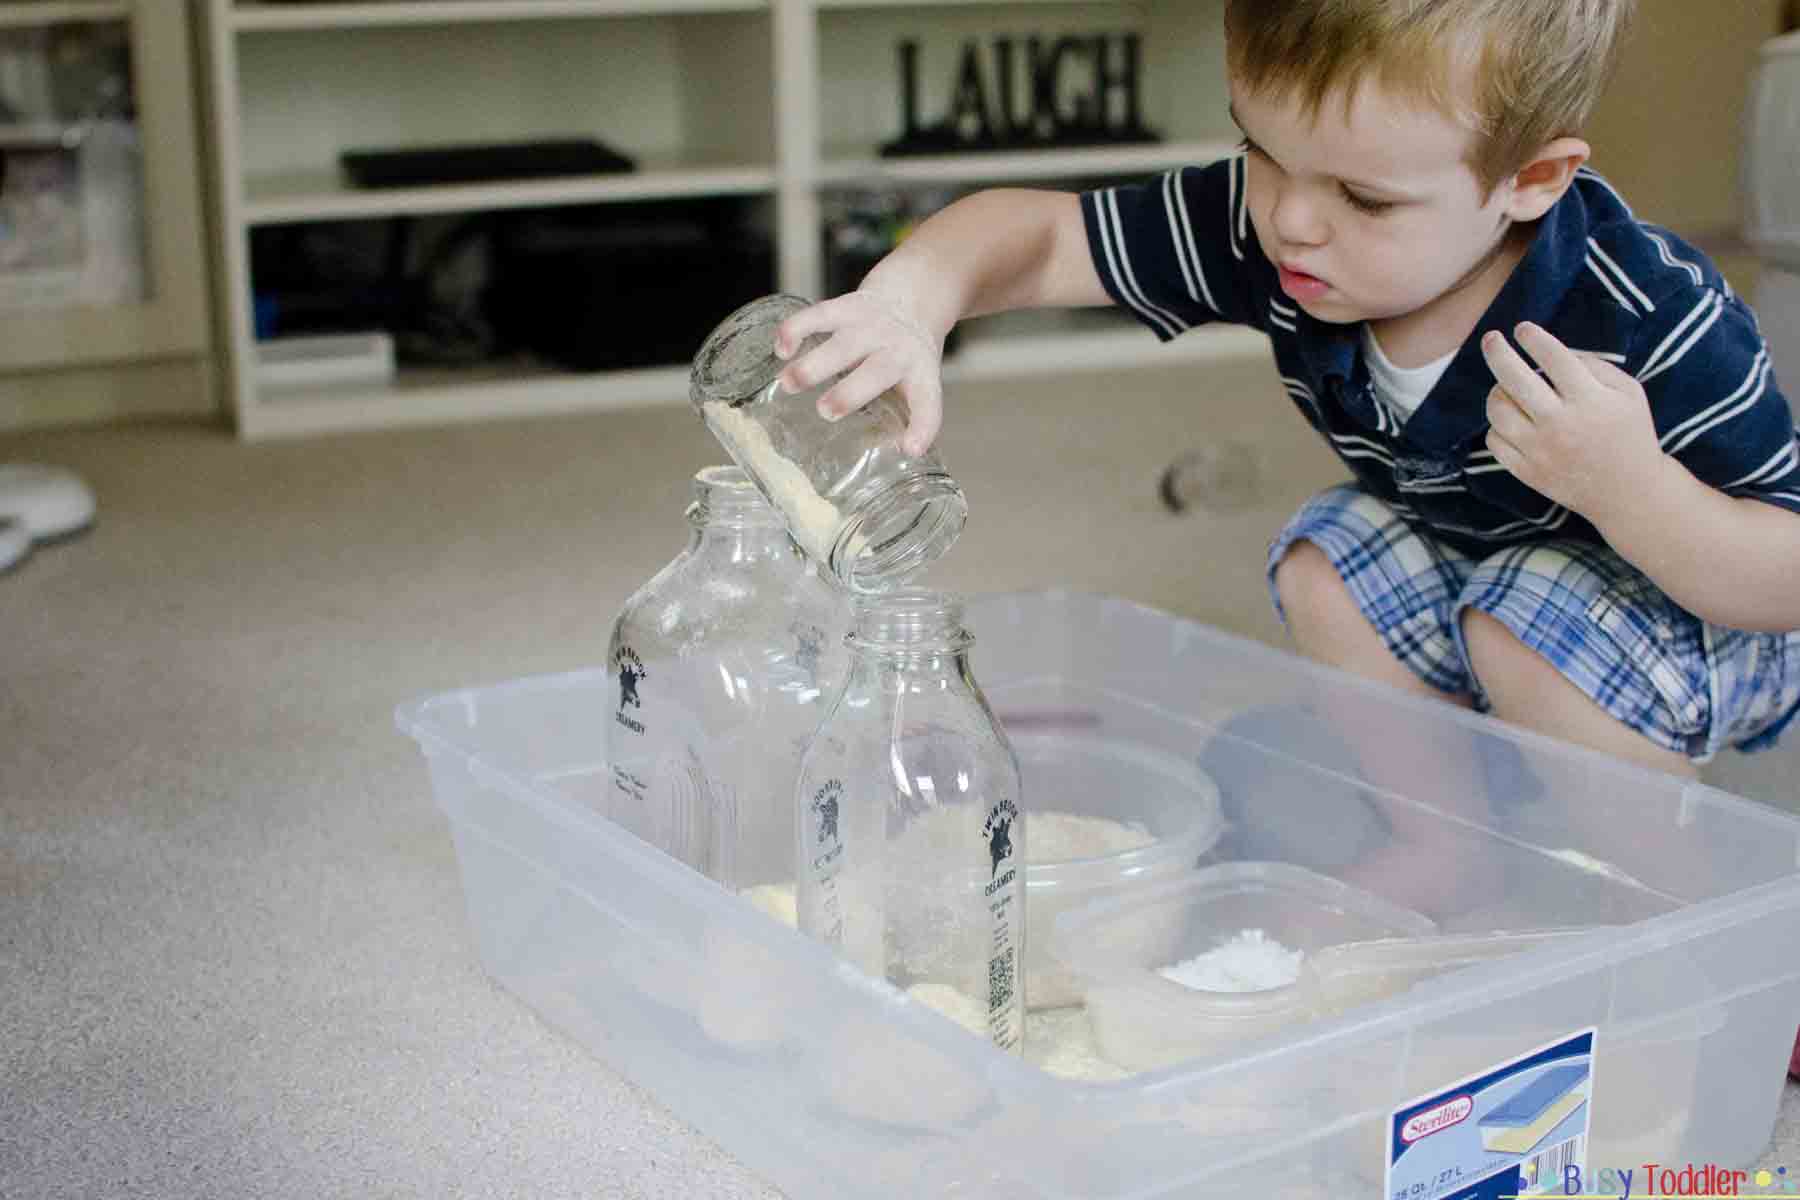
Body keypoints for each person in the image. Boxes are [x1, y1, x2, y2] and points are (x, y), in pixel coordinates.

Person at [774, 0, 1800, 1076]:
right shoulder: (1292, 216)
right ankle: (1441, 846)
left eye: (1364, 196)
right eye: (1258, 150)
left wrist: (1628, 487)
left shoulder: (1645, 310)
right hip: (1489, 572)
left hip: (1709, 612)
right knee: (1330, 553)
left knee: (1521, 622)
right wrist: (909, 300)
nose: (1291, 223)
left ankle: (1707, 926)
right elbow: (1042, 238)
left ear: (1530, 183)